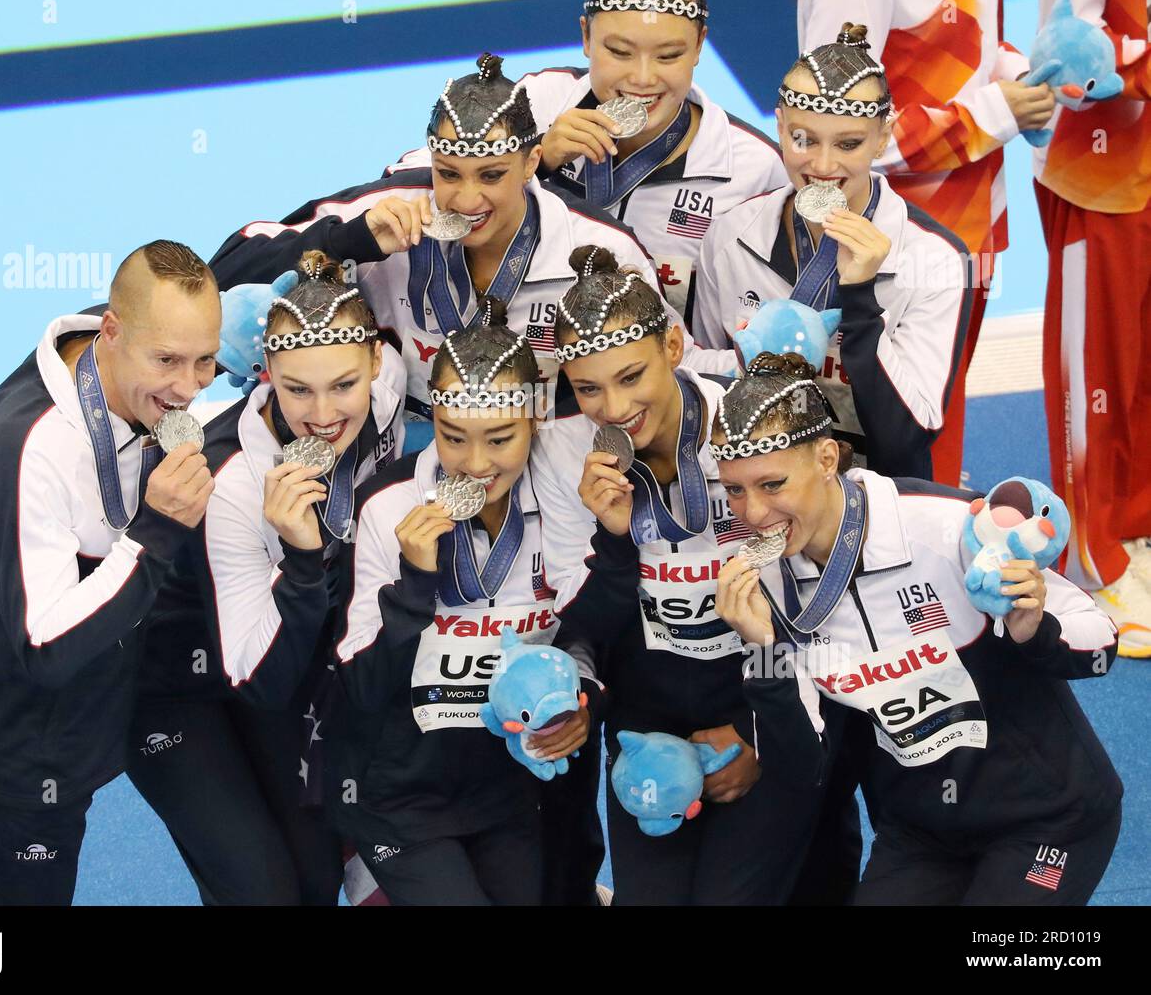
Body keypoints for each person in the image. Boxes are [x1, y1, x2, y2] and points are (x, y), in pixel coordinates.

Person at [712, 352, 1123, 905]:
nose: (754, 512)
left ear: (827, 457)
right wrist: (764, 652)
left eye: (772, 483)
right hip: (923, 836)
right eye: (735, 491)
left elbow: (1101, 641)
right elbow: (803, 765)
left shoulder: (942, 524)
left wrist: (1035, 629)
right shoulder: (765, 588)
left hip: (1046, 817)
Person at [203, 52, 720, 448]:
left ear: (531, 161)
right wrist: (350, 242)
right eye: (448, 175)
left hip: (526, 468)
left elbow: (676, 368)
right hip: (378, 459)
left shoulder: (597, 249)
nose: (467, 200)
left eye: (491, 176)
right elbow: (216, 282)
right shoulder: (391, 208)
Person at [0, 240, 221, 905]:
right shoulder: (28, 450)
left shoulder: (118, 344)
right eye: (168, 360)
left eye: (205, 360)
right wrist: (155, 532)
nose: (188, 386)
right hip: (13, 763)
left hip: (74, 733)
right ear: (113, 333)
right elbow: (46, 644)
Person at [532, 246, 825, 905]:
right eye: (587, 387)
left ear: (672, 344)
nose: (612, 407)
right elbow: (580, 630)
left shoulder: (750, 425)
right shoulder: (562, 455)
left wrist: (758, 731)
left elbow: (820, 599)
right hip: (645, 735)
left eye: (631, 375)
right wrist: (612, 543)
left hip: (761, 714)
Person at [126, 252, 405, 904]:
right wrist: (305, 563)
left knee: (313, 878)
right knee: (265, 892)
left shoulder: (391, 393)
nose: (323, 413)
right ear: (266, 376)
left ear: (375, 365)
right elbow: (259, 677)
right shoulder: (234, 483)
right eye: (298, 389)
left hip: (279, 654)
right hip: (176, 689)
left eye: (343, 384)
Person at [326, 299, 593, 905]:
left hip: (507, 789)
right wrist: (413, 587)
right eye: (453, 438)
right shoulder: (386, 507)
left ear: (536, 420)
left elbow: (589, 624)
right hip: (399, 797)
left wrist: (584, 700)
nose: (475, 464)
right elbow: (363, 689)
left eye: (499, 439)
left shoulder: (562, 498)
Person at [388, 0, 786, 323]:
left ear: (699, 46)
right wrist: (532, 161)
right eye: (618, 51)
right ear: (585, 36)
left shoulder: (752, 166)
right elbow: (412, 183)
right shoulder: (533, 102)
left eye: (668, 55)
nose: (643, 78)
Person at [795, 0, 1056, 486]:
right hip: (894, 252)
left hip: (973, 224)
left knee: (942, 432)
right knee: (904, 449)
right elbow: (829, 144)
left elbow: (974, 46)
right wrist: (992, 114)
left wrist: (1016, 77)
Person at [693, 24, 971, 479]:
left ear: (883, 137)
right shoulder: (730, 239)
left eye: (848, 144)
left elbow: (904, 440)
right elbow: (700, 393)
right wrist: (751, 361)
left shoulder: (934, 260)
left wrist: (861, 301)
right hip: (755, 500)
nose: (822, 166)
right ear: (779, 126)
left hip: (877, 505)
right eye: (803, 139)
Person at [1029, 0, 1151, 657]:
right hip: (1098, 156)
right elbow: (1071, 47)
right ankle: (1092, 554)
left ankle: (1136, 523)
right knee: (1098, 363)